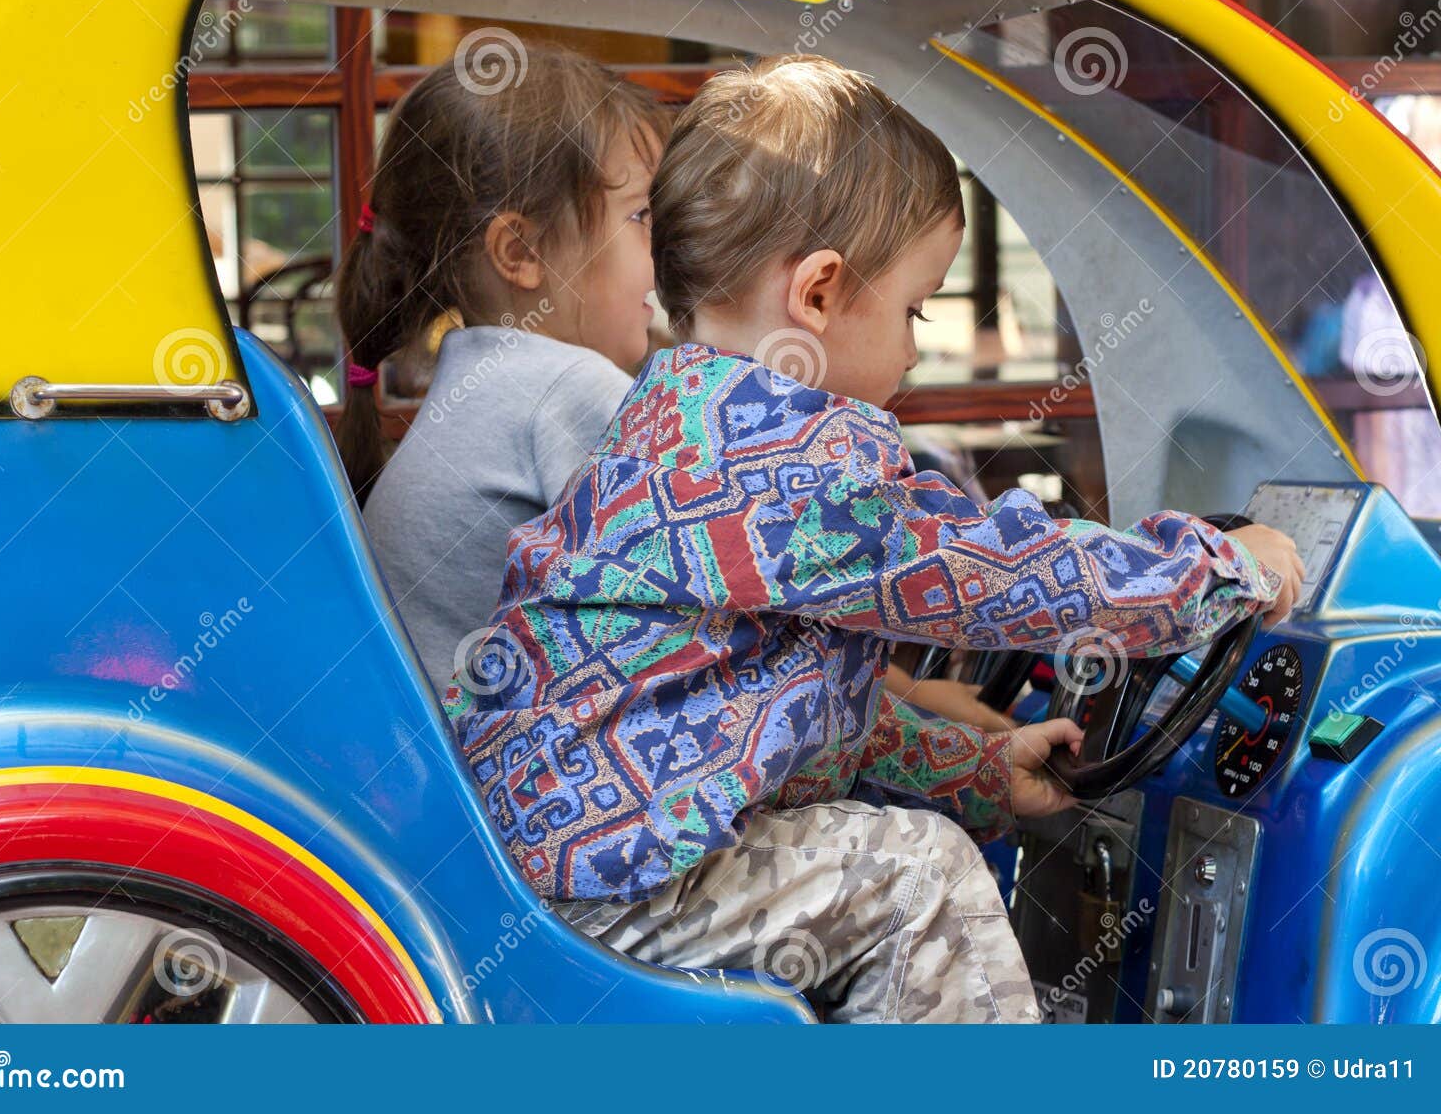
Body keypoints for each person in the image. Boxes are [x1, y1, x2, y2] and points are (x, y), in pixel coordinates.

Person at [446, 55, 1305, 1022]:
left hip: (563, 868)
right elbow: (1000, 573)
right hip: (625, 882)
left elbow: (790, 717)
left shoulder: (673, 422)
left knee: (898, 856)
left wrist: (976, 771)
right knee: (924, 877)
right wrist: (1221, 569)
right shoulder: (791, 462)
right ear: (817, 293)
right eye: (913, 310)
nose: (913, 348)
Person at [336, 44, 668, 692]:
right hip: (502, 755)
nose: (664, 250)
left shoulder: (481, 381)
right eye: (641, 217)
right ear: (520, 252)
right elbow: (689, 579)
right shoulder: (566, 385)